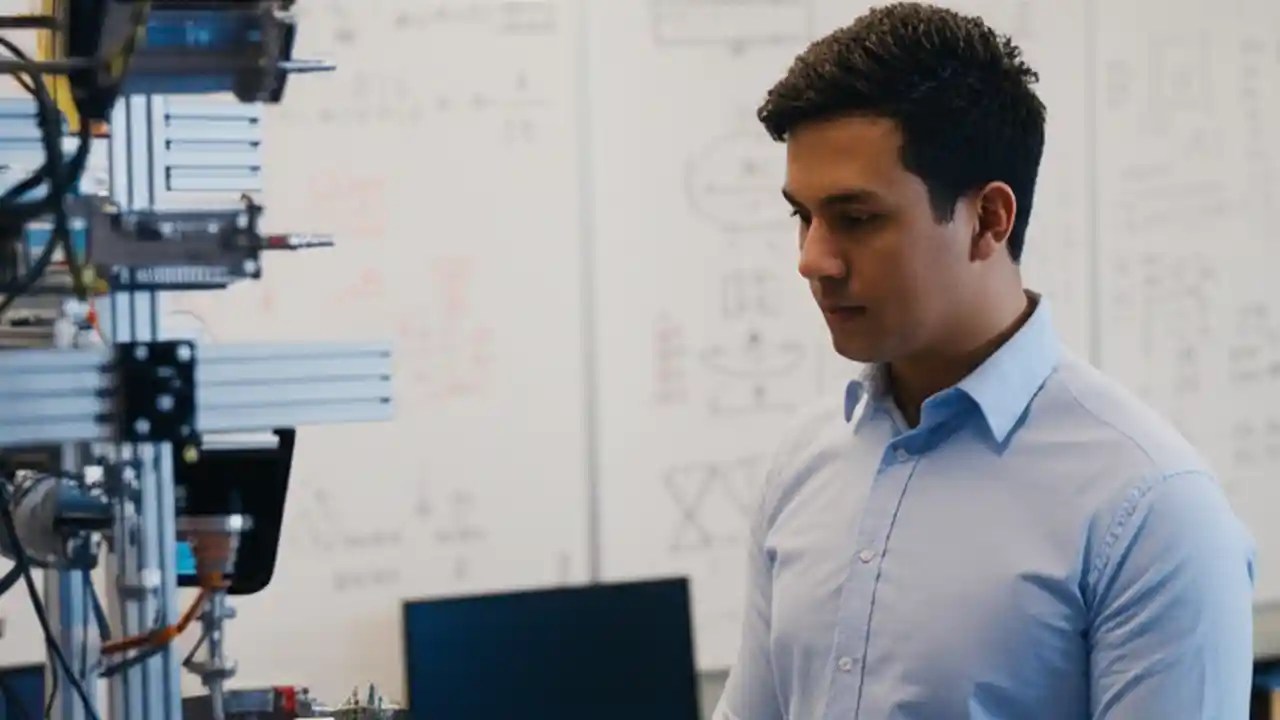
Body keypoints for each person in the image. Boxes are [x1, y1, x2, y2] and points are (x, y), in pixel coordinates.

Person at [713, 3, 1256, 719]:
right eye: (802, 216)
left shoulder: (1152, 507)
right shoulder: (804, 467)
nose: (812, 258)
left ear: (989, 220)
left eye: (857, 218)